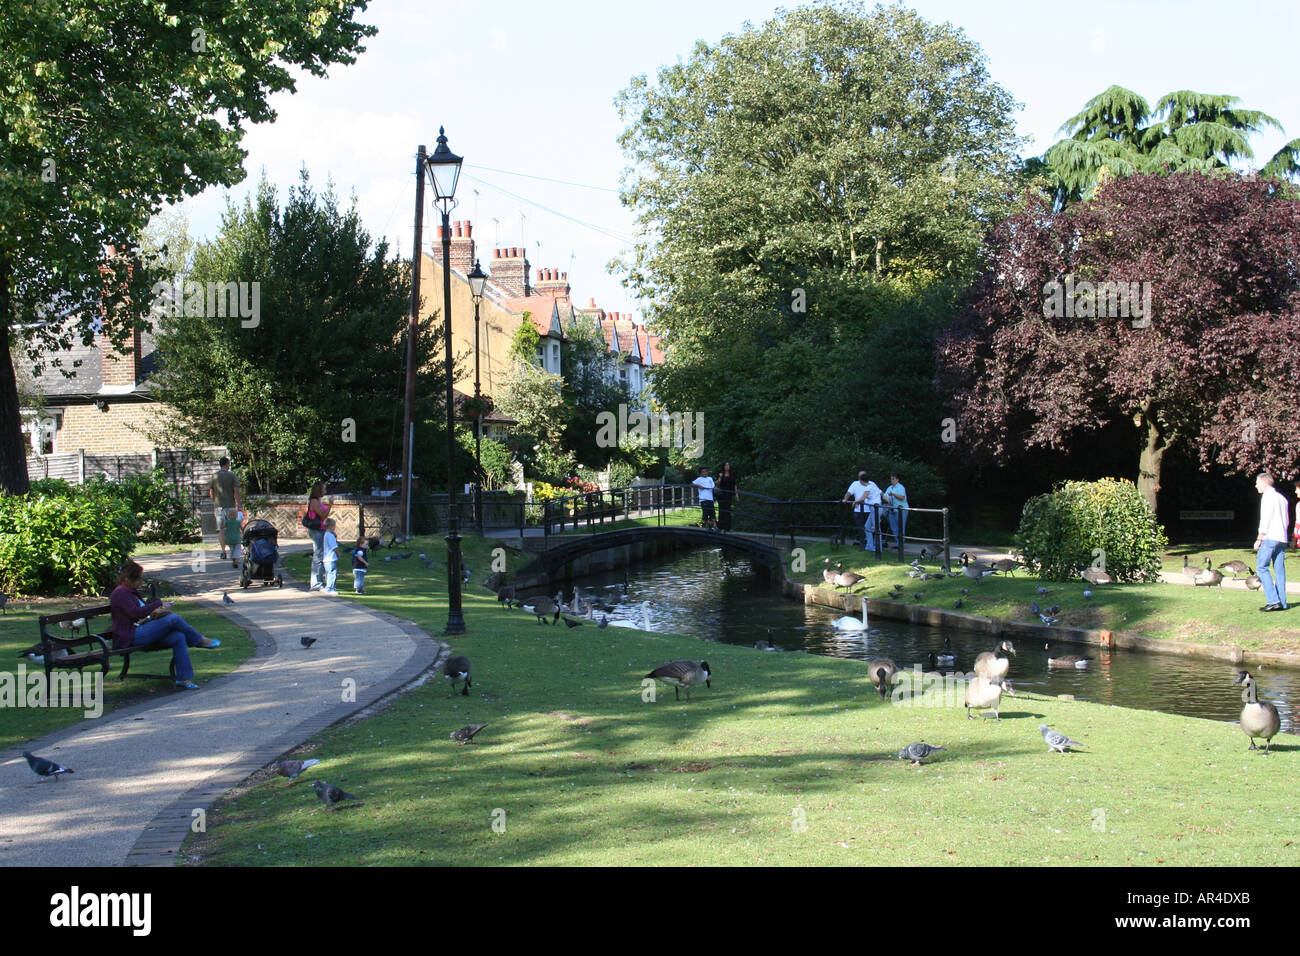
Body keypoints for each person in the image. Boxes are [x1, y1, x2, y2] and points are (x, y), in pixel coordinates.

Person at [110, 559, 220, 690]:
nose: (141, 582)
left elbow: (143, 614)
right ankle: (199, 640)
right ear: (128, 579)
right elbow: (136, 613)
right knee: (173, 619)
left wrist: (158, 611)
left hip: (142, 629)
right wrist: (158, 605)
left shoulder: (130, 592)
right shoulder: (120, 593)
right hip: (131, 635)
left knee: (179, 636)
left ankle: (183, 678)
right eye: (138, 579)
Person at [1254, 473, 1289, 612]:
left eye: (1257, 483)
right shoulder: (1282, 498)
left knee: (1262, 568)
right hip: (1282, 538)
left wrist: (1259, 538)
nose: (1256, 486)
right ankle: (1282, 602)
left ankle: (1273, 601)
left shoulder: (1267, 497)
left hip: (1270, 537)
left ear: (1264, 482)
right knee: (1279, 571)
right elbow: (1286, 520)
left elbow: (1265, 520)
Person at [208, 457, 240, 562]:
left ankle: (223, 551)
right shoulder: (231, 475)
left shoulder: (214, 476)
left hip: (219, 507)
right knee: (231, 528)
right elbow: (236, 491)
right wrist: (238, 504)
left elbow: (211, 492)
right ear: (227, 464)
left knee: (220, 529)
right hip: (230, 506)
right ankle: (233, 551)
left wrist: (215, 501)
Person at [304, 482, 332, 591]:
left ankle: (318, 582)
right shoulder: (314, 502)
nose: (325, 491)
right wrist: (330, 505)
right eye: (324, 489)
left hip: (320, 530)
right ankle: (316, 583)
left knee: (320, 555)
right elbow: (323, 515)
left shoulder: (318, 501)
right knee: (318, 556)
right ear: (318, 490)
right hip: (316, 531)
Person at [884, 472, 909, 550]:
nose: (891, 480)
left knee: (901, 527)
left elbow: (902, 497)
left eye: (893, 479)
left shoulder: (900, 487)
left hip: (901, 510)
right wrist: (887, 499)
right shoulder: (890, 487)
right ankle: (897, 543)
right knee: (894, 527)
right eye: (891, 479)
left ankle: (901, 544)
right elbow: (885, 496)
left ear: (897, 480)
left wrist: (893, 494)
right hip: (892, 510)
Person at [716, 462, 737, 532]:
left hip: (729, 495)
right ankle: (720, 527)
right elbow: (718, 484)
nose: (728, 466)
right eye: (726, 465)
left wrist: (737, 494)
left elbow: (735, 485)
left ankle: (727, 527)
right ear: (723, 466)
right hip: (722, 495)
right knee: (722, 510)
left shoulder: (732, 475)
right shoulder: (721, 474)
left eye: (728, 465)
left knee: (727, 511)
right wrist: (720, 477)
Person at [321, 518, 340, 595]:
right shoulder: (330, 536)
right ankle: (330, 588)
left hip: (326, 558)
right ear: (331, 526)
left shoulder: (326, 534)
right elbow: (334, 547)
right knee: (332, 573)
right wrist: (338, 553)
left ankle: (329, 587)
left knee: (328, 573)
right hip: (331, 558)